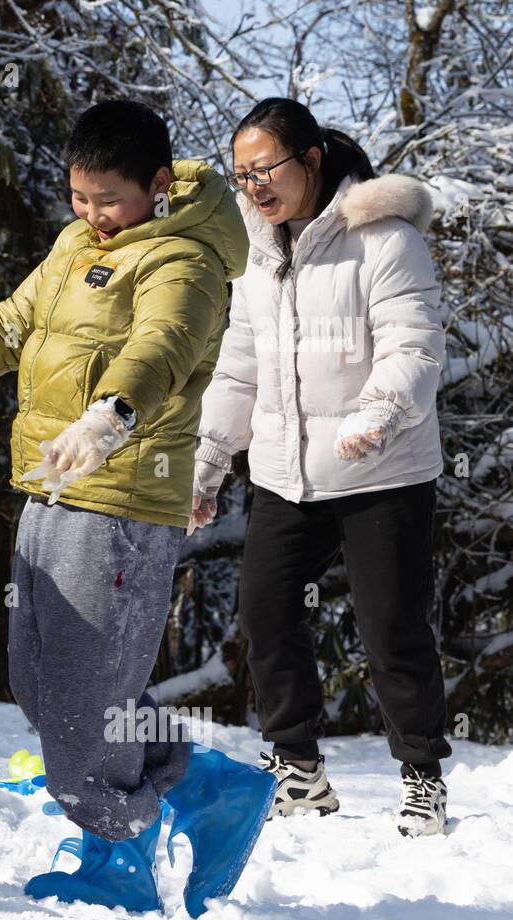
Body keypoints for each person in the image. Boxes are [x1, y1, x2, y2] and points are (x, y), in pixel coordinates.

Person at [0, 99, 275, 917]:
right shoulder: (77, 246)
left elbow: (162, 347)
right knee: (45, 685)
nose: (92, 215)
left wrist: (113, 415)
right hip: (51, 483)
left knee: (80, 698)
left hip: (121, 496)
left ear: (159, 184)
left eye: (108, 198)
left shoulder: (185, 261)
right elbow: (9, 326)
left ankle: (121, 848)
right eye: (79, 196)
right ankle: (203, 783)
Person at [191, 97, 452, 837]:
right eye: (241, 176)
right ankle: (298, 770)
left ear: (310, 160)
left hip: (384, 468)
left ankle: (422, 776)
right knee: (267, 612)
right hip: (286, 472)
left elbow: (415, 348)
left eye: (266, 169)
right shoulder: (256, 249)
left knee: (391, 626)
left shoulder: (384, 239)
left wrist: (377, 414)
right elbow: (238, 366)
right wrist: (209, 461)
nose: (254, 188)